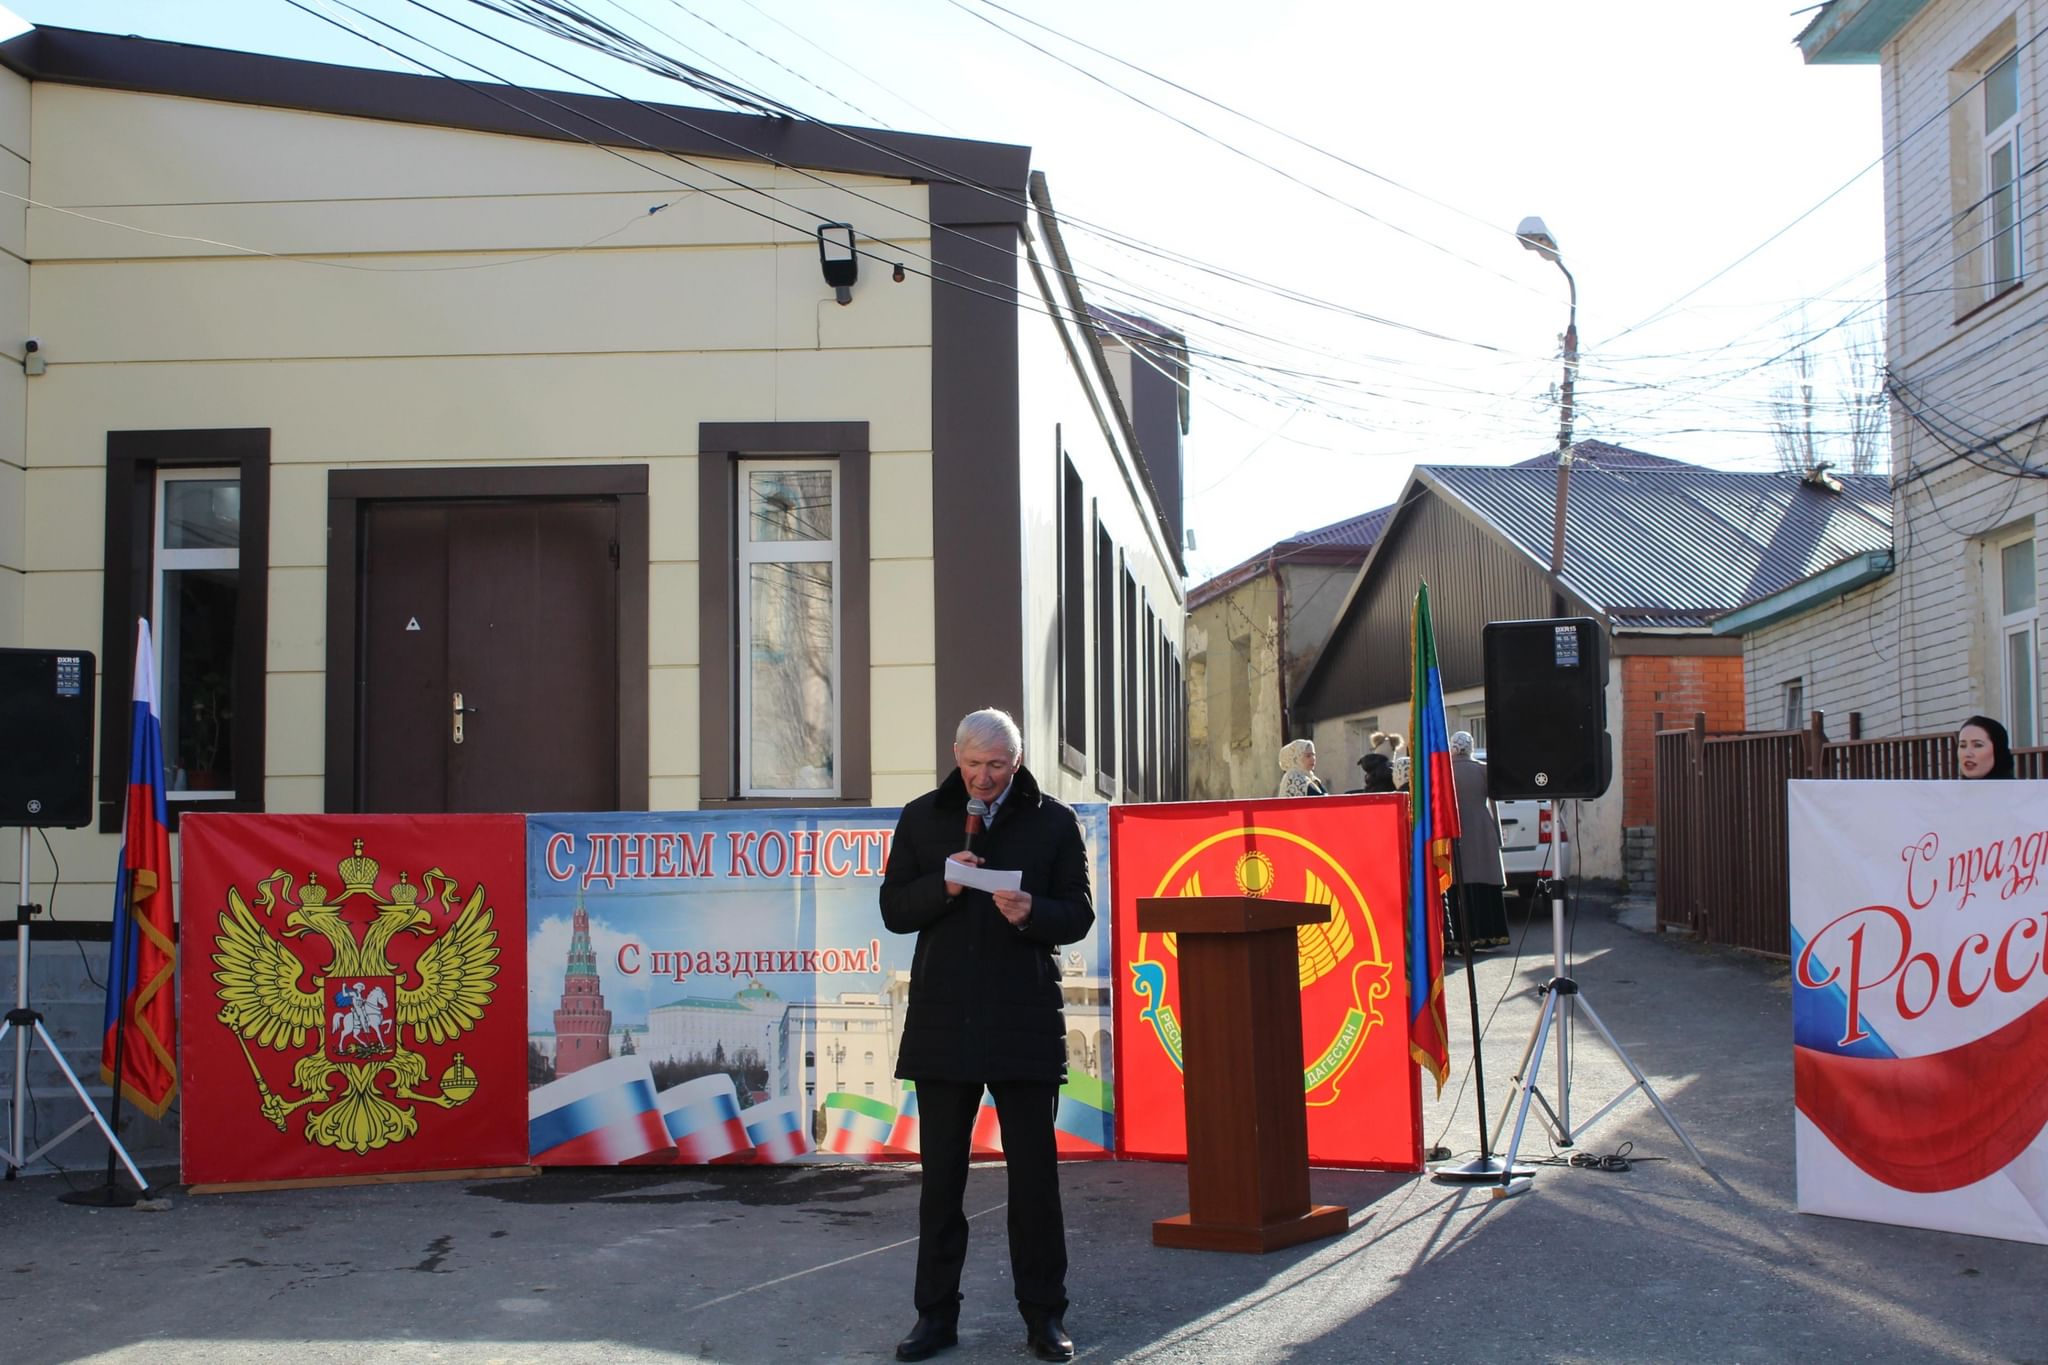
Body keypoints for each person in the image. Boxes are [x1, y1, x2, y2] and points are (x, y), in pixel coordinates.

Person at [881, 708, 1092, 1363]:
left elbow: (1079, 913)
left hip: (1022, 1019)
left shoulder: (1054, 821)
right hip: (945, 1023)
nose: (983, 777)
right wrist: (943, 884)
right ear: (956, 754)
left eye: (996, 765)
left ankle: (1044, 1316)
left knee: (1034, 1182)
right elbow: (893, 908)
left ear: (1018, 761)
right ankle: (934, 1317)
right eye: (972, 763)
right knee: (941, 1180)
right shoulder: (922, 817)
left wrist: (1034, 911)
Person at [1447, 731, 1511, 948]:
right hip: (1481, 828)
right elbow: (1494, 804)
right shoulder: (1483, 769)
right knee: (1483, 882)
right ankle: (1487, 934)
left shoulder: (1444, 772)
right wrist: (1497, 835)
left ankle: (1457, 937)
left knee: (1456, 884)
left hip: (1453, 829)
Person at [1957, 714, 2016, 779]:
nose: (1967, 754)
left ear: (1998, 751)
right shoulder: (1950, 788)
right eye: (1962, 746)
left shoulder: (2020, 788)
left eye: (1978, 745)